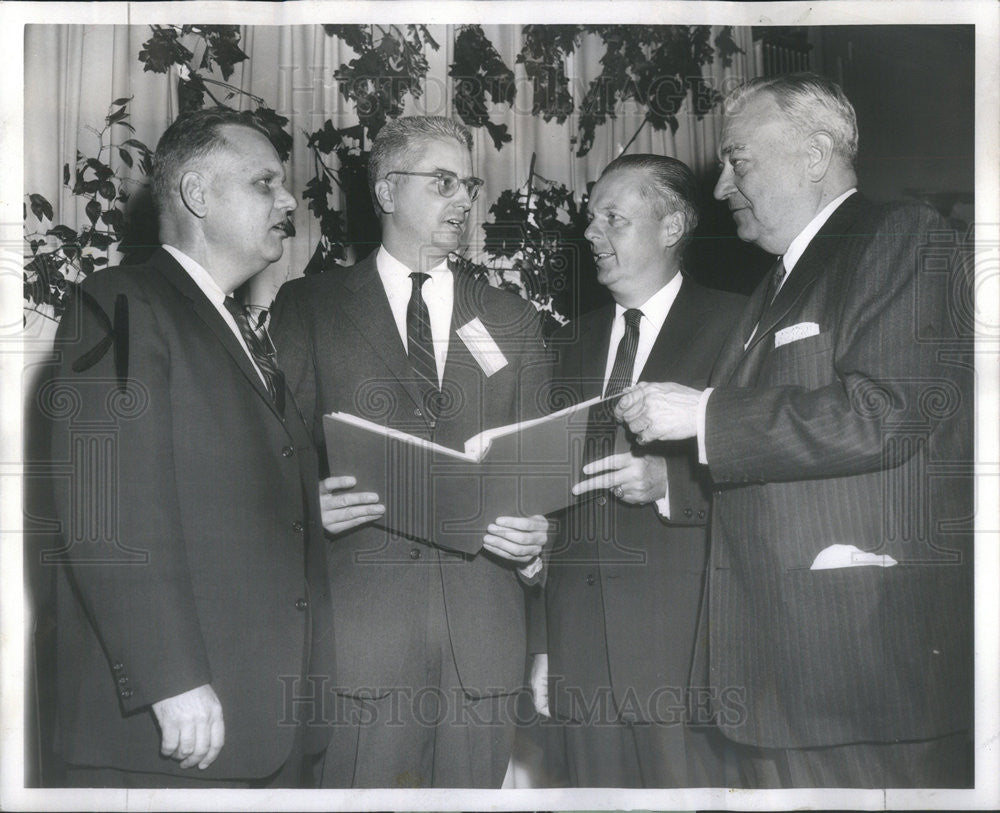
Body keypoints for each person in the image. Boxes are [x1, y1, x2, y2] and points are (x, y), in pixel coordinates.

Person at [615, 73, 973, 787]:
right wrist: (673, 481)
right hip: (776, 671)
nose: (721, 190)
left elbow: (886, 410)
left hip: (857, 665)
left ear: (814, 153)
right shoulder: (774, 282)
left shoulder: (900, 235)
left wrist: (705, 413)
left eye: (739, 162)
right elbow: (778, 456)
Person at [44, 107, 333, 787]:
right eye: (265, 183)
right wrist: (169, 679)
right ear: (198, 194)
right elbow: (104, 505)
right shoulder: (115, 303)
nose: (289, 199)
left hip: (269, 728)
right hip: (180, 732)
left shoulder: (238, 326)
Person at [269, 115, 550, 788]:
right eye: (444, 182)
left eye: (470, 184)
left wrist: (540, 541)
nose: (464, 200)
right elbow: (273, 456)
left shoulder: (513, 318)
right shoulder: (308, 306)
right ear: (388, 192)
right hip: (360, 643)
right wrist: (309, 506)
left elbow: (541, 471)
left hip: (481, 645)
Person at [533, 154, 745, 787]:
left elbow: (777, 479)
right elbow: (549, 505)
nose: (592, 234)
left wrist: (669, 485)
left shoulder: (738, 327)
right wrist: (544, 642)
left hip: (688, 660)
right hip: (581, 661)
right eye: (591, 219)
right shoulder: (564, 343)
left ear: (673, 225)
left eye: (614, 219)